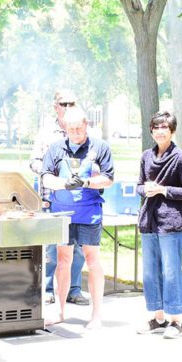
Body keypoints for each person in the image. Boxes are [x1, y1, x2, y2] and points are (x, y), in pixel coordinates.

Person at [41, 106, 116, 332]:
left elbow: (109, 179)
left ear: (86, 125)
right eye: (70, 128)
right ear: (64, 127)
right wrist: (63, 184)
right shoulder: (55, 148)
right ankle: (60, 311)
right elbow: (45, 179)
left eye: (78, 128)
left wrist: (86, 183)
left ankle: (96, 315)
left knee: (92, 260)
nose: (74, 132)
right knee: (63, 260)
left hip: (89, 213)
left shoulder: (100, 147)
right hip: (62, 213)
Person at [136, 111, 182, 339]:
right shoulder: (146, 156)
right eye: (156, 127)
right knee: (150, 272)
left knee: (171, 272)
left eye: (164, 128)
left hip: (171, 221)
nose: (159, 131)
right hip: (148, 220)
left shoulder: (181, 157)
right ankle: (158, 317)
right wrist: (146, 189)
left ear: (172, 131)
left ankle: (176, 320)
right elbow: (139, 185)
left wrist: (163, 190)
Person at [35, 89, 87, 307]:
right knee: (51, 247)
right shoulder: (46, 133)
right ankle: (47, 289)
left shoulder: (85, 130)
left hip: (79, 202)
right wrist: (50, 172)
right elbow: (34, 162)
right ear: (55, 106)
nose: (67, 107)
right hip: (52, 198)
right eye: (62, 103)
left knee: (78, 248)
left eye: (71, 103)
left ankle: (74, 290)